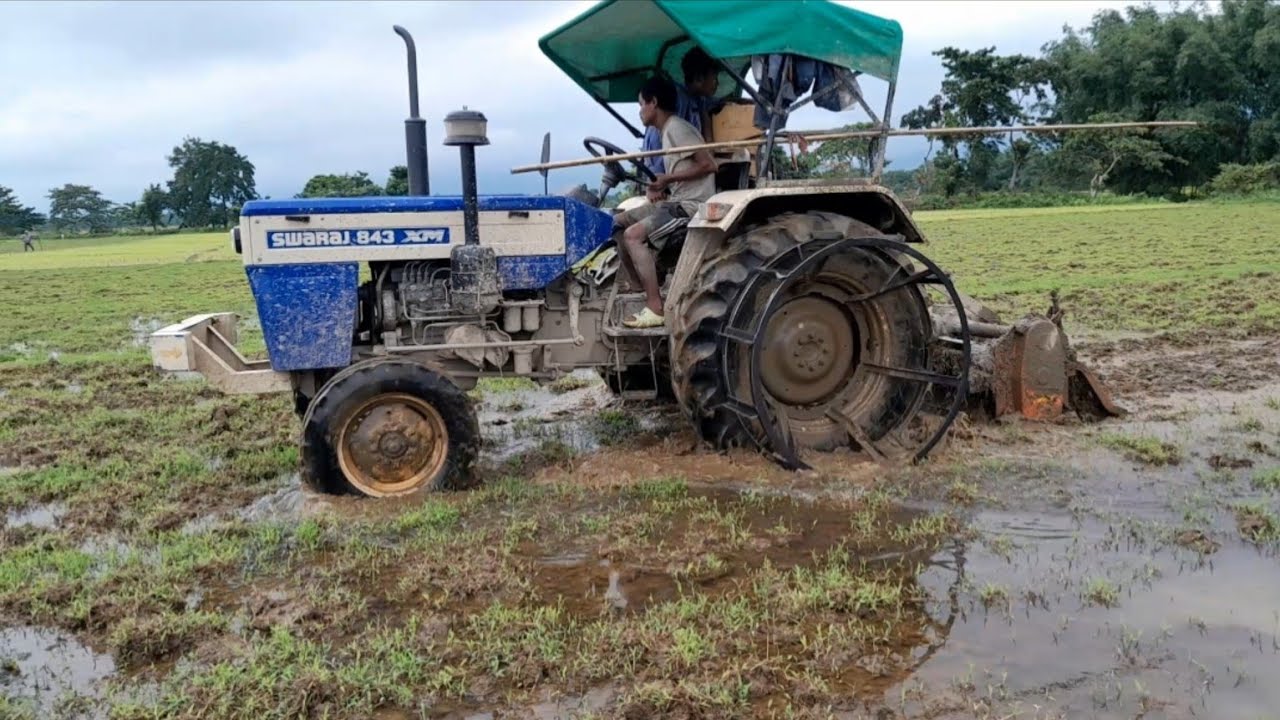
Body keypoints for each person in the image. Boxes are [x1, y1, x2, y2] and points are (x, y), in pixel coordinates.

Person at [614, 76, 717, 329]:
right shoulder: (665, 131)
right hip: (675, 200)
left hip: (691, 206)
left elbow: (709, 165)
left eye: (641, 105)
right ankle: (639, 289)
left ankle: (655, 307)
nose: (640, 112)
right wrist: (661, 184)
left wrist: (667, 178)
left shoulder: (677, 128)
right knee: (615, 223)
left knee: (633, 236)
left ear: (654, 103)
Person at [640, 47, 721, 177]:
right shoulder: (677, 101)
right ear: (699, 79)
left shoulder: (700, 99)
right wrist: (657, 177)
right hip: (666, 172)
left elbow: (719, 103)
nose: (717, 84)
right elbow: (662, 143)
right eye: (714, 78)